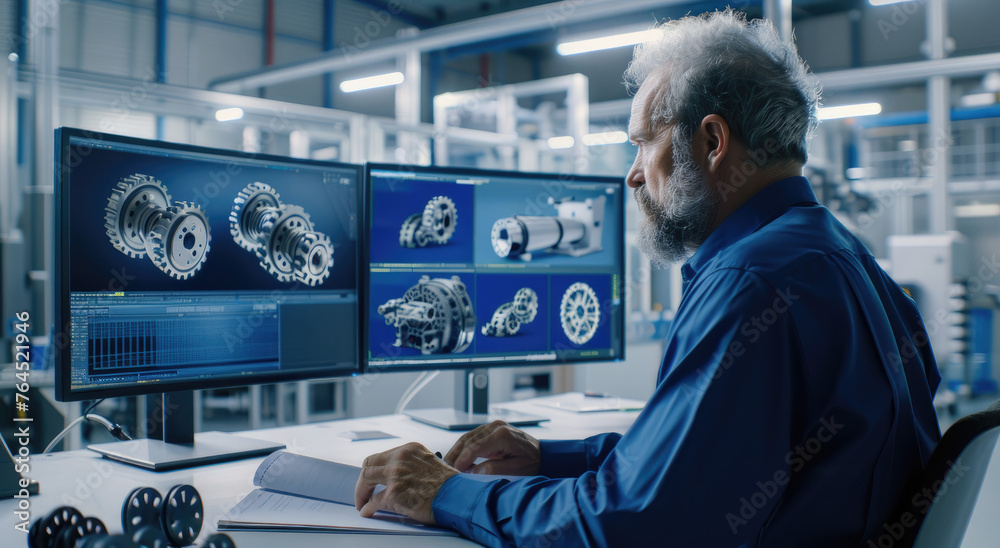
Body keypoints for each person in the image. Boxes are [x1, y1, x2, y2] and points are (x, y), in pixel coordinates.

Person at [355, 10, 941, 547]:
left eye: (642, 144)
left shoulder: (749, 280)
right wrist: (554, 458)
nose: (633, 177)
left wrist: (447, 492)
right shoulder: (847, 259)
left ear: (712, 142)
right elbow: (715, 465)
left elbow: (636, 524)